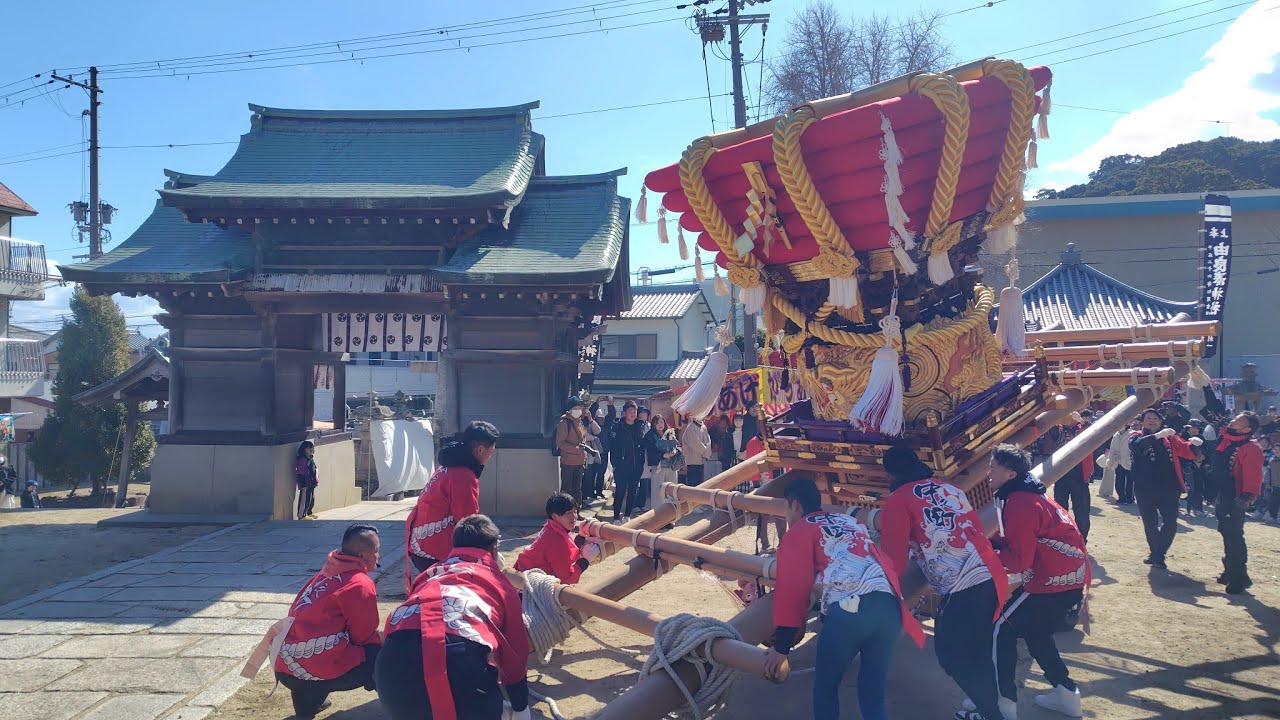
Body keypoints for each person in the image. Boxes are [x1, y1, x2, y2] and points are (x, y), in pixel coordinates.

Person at [762, 477, 923, 720]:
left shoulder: (800, 530)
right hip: (889, 605)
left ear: (795, 505)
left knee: (826, 687)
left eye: (786, 507)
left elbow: (793, 588)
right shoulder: (849, 522)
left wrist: (781, 647)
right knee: (872, 694)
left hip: (850, 609)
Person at [878, 447, 1011, 720]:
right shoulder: (950, 489)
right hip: (990, 573)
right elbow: (974, 527)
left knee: (950, 655)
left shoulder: (899, 500)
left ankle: (991, 714)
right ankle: (988, 707)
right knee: (978, 649)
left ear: (890, 475)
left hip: (964, 585)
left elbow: (894, 558)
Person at [376, 515, 531, 720]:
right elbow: (514, 650)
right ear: (494, 549)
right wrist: (520, 705)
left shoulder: (429, 575)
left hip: (392, 670)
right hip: (459, 664)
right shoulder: (498, 584)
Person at [988, 445, 1089, 718]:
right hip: (1067, 579)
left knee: (1001, 629)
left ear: (1011, 474)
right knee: (1036, 633)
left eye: (993, 467)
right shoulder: (1031, 495)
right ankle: (1067, 695)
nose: (988, 473)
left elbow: (1019, 561)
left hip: (1051, 582)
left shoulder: (1019, 502)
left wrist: (986, 552)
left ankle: (1001, 703)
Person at [274, 524, 382, 720]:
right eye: (376, 550)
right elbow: (363, 636)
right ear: (363, 555)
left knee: (317, 644)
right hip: (314, 667)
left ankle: (306, 708)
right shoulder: (359, 583)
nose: (378, 555)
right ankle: (395, 703)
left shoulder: (326, 572)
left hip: (283, 666)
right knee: (381, 652)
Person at [405, 421, 500, 579]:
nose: (490, 457)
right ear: (480, 450)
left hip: (419, 545)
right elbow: (468, 522)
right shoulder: (463, 476)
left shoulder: (448, 466)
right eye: (491, 452)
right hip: (435, 551)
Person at [1129, 409, 1200, 569]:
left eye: (1155, 418)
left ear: (1161, 422)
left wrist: (1194, 444)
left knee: (1170, 522)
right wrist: (1157, 436)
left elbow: (1186, 451)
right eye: (1148, 418)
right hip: (1144, 487)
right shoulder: (1136, 435)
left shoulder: (1170, 437)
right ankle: (1156, 554)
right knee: (1150, 523)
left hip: (1169, 487)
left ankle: (1158, 554)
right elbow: (1136, 446)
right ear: (1142, 422)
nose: (1152, 420)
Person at [1213, 411, 1264, 594]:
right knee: (1226, 533)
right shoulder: (1229, 438)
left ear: (1247, 429)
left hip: (1236, 496)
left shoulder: (1251, 447)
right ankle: (1233, 571)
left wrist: (1245, 497)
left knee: (1234, 536)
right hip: (1223, 493)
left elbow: (1254, 475)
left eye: (1237, 421)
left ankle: (1238, 578)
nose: (1232, 421)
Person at [515, 493, 599, 585]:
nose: (574, 517)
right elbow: (567, 578)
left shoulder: (551, 528)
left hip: (520, 575)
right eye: (568, 513)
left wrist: (581, 535)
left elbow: (566, 553)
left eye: (575, 512)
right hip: (526, 584)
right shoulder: (555, 539)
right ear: (555, 516)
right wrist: (585, 561)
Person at [1053, 424, 1093, 541]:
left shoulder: (1084, 427)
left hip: (1080, 476)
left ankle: (1081, 540)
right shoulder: (1057, 429)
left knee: (1082, 512)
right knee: (1060, 510)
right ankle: (1062, 538)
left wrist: (1080, 421)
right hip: (1061, 475)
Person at [608, 401, 646, 523]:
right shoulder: (618, 426)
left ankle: (627, 515)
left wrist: (641, 463)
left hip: (636, 465)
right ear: (624, 413)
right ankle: (616, 517)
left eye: (634, 412)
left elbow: (642, 445)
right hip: (621, 466)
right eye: (630, 411)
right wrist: (615, 465)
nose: (632, 414)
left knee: (633, 491)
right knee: (620, 491)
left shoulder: (639, 426)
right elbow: (613, 447)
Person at [554, 397, 590, 505]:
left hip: (580, 462)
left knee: (577, 489)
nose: (578, 410)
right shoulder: (564, 423)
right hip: (568, 462)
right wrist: (576, 449)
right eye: (575, 408)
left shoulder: (580, 422)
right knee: (566, 490)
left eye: (579, 408)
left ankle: (576, 510)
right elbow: (560, 443)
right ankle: (564, 511)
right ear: (569, 410)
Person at [643, 416, 678, 506]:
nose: (660, 424)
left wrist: (675, 451)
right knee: (658, 492)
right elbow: (651, 450)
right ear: (653, 424)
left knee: (672, 491)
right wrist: (663, 455)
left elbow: (676, 445)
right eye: (657, 423)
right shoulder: (650, 435)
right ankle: (657, 512)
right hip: (658, 467)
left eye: (661, 422)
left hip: (671, 466)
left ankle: (671, 511)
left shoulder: (669, 433)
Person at [680, 414, 712, 485]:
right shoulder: (690, 427)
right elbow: (694, 442)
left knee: (701, 484)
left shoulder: (703, 426)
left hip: (702, 461)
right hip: (692, 462)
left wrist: (707, 453)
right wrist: (705, 452)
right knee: (693, 485)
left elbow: (708, 441)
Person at [1109, 423, 1136, 504]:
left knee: (1129, 482)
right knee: (1119, 481)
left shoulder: (1132, 434)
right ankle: (1121, 497)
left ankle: (1130, 498)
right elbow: (1112, 448)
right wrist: (1110, 460)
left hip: (1129, 461)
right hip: (1118, 461)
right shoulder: (1116, 435)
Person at [1183, 444, 1212, 518]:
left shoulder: (1204, 458)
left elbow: (1208, 468)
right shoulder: (1189, 459)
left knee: (1199, 492)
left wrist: (1206, 466)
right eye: (1196, 449)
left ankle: (1198, 509)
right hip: (1191, 478)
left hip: (1200, 477)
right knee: (1191, 492)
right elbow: (1186, 470)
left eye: (1200, 450)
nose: (1199, 452)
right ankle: (1188, 509)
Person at [583, 410, 605, 503]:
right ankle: (583, 497)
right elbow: (582, 435)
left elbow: (598, 430)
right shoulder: (577, 422)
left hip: (591, 454)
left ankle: (588, 494)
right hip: (582, 453)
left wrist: (590, 419)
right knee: (584, 477)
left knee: (590, 475)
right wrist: (593, 438)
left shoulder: (590, 421)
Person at [295, 440, 319, 520]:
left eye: (312, 447)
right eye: (309, 448)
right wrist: (302, 483)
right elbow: (300, 472)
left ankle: (309, 512)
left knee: (311, 499)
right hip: (305, 483)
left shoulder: (310, 459)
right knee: (304, 500)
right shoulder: (303, 459)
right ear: (304, 449)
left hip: (311, 483)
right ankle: (301, 515)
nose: (311, 449)